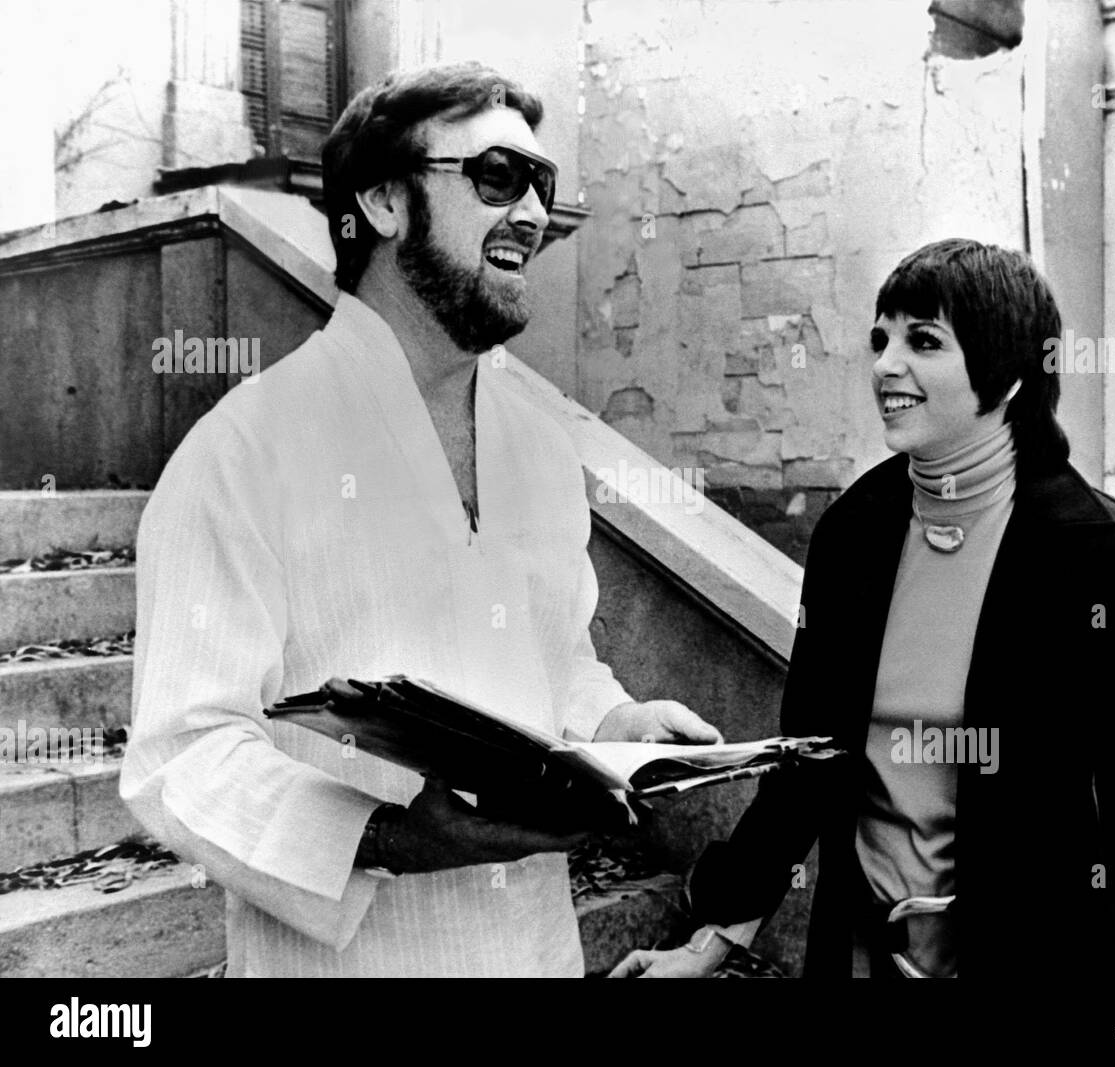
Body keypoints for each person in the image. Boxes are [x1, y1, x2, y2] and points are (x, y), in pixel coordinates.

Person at [120, 62, 719, 978]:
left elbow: (555, 660)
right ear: (385, 200)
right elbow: (182, 754)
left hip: (535, 950)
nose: (532, 214)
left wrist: (618, 721)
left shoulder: (541, 446)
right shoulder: (241, 452)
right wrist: (390, 836)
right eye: (496, 178)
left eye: (542, 186)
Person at [611, 238, 1115, 978]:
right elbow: (806, 765)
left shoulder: (1100, 550)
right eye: (881, 338)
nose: (886, 365)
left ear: (1009, 372)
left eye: (923, 340)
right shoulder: (852, 533)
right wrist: (711, 941)